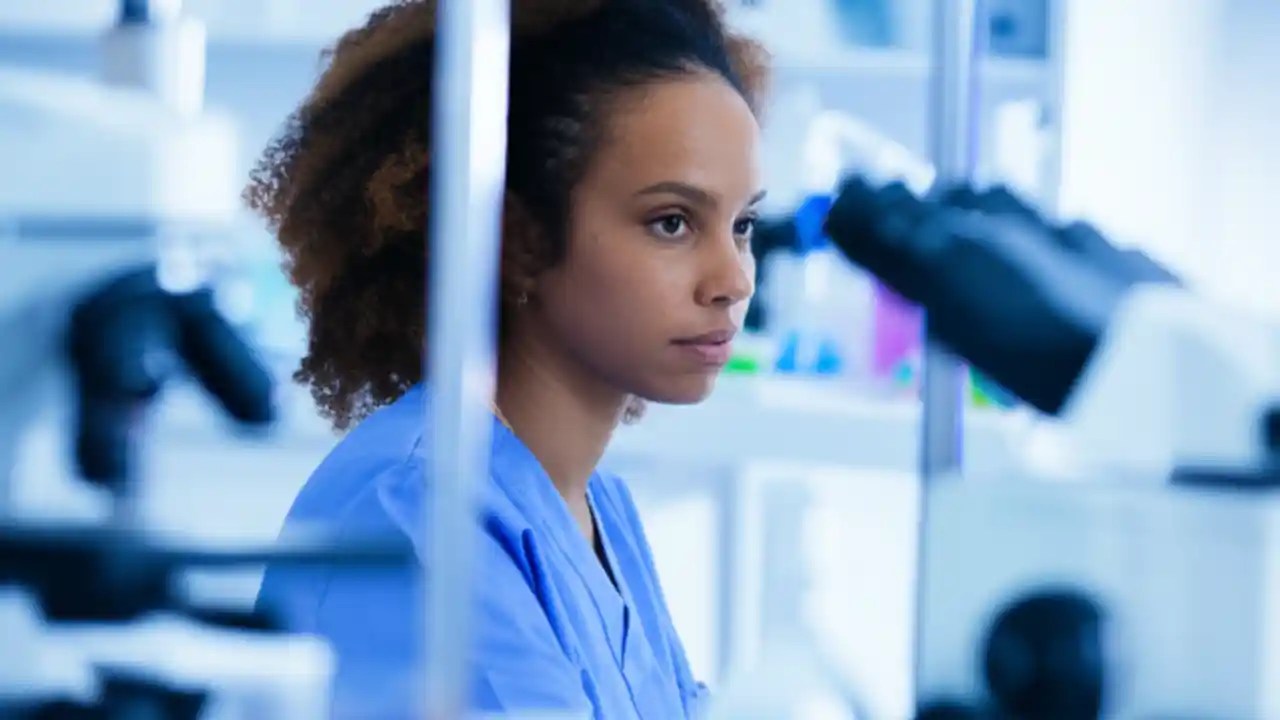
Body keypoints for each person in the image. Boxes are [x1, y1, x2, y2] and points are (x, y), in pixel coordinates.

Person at [245, 0, 768, 717]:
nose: (733, 279)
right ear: (518, 238)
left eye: (742, 225)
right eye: (671, 223)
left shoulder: (595, 506)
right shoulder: (417, 513)